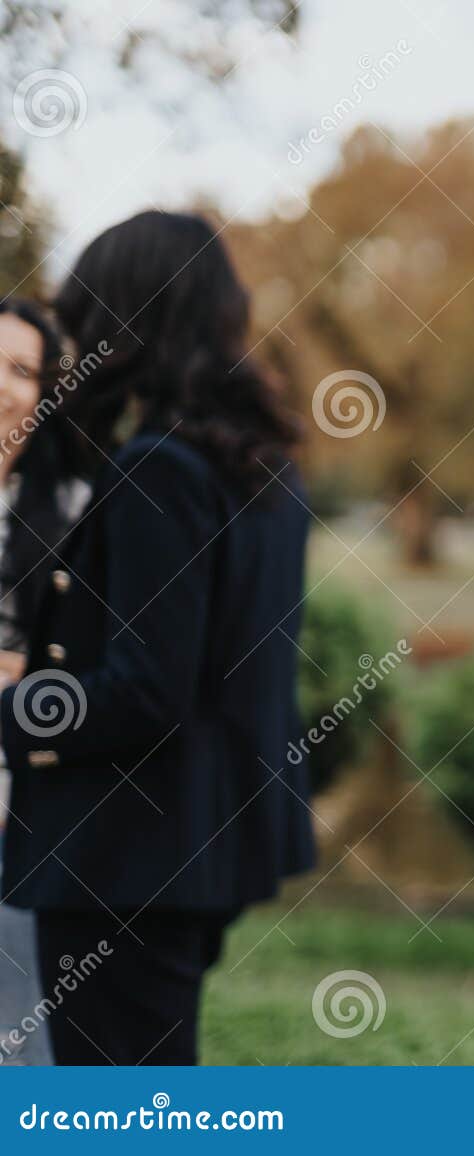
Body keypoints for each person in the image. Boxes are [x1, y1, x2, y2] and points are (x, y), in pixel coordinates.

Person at [0, 210, 315, 1065]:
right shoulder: (265, 467)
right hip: (204, 848)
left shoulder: (157, 469)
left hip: (124, 860)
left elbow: (147, 689)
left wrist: (10, 708)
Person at [0, 298, 88, 1066]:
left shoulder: (71, 514)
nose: (2, 387)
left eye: (23, 370)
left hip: (22, 806)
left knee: (20, 1037)